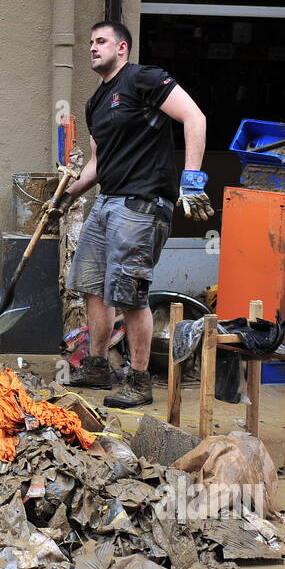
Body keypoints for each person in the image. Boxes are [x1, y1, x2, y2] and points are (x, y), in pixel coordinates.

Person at [50, 21, 213, 408]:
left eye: (101, 41)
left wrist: (192, 178)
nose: (92, 48)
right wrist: (68, 196)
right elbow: (98, 161)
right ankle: (97, 365)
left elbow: (195, 118)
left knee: (130, 294)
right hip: (108, 202)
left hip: (142, 205)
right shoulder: (95, 102)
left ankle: (139, 381)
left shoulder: (144, 79)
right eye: (90, 42)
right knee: (91, 285)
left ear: (122, 48)